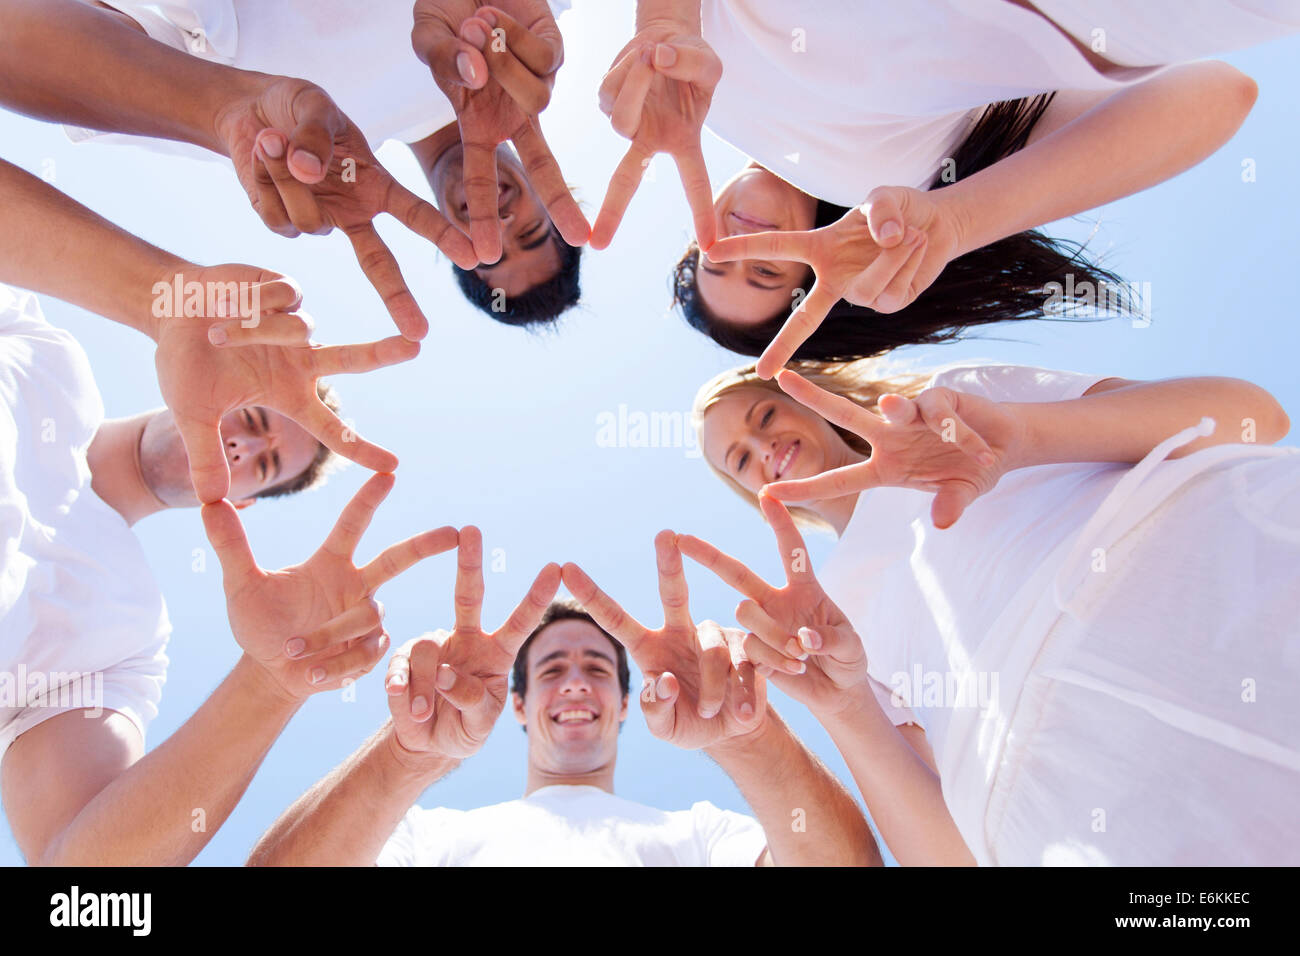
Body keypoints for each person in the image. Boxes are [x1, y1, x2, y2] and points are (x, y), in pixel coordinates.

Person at [684, 357, 1300, 864]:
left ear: (810, 399)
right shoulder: (828, 619)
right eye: (739, 458)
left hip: (1233, 585)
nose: (763, 446)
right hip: (1113, 812)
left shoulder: (951, 405)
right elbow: (953, 857)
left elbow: (1255, 417)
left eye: (764, 415)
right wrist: (840, 704)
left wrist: (1023, 436)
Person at [593, 0, 1277, 374]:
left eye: (718, 259)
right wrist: (956, 223)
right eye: (765, 271)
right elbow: (1216, 95)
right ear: (811, 277)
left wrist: (663, 26)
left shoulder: (705, 84)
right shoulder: (910, 184)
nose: (741, 244)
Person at [249, 529, 878, 865]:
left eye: (597, 668)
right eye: (551, 669)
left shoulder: (700, 837)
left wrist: (750, 736)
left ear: (628, 703)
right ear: (517, 705)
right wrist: (407, 757)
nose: (575, 682)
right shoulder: (430, 841)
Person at [38, 0, 591, 328]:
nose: (495, 223)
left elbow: (49, 50)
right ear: (555, 194)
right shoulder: (521, 29)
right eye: (532, 231)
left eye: (487, 254)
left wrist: (221, 109)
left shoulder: (297, 138)